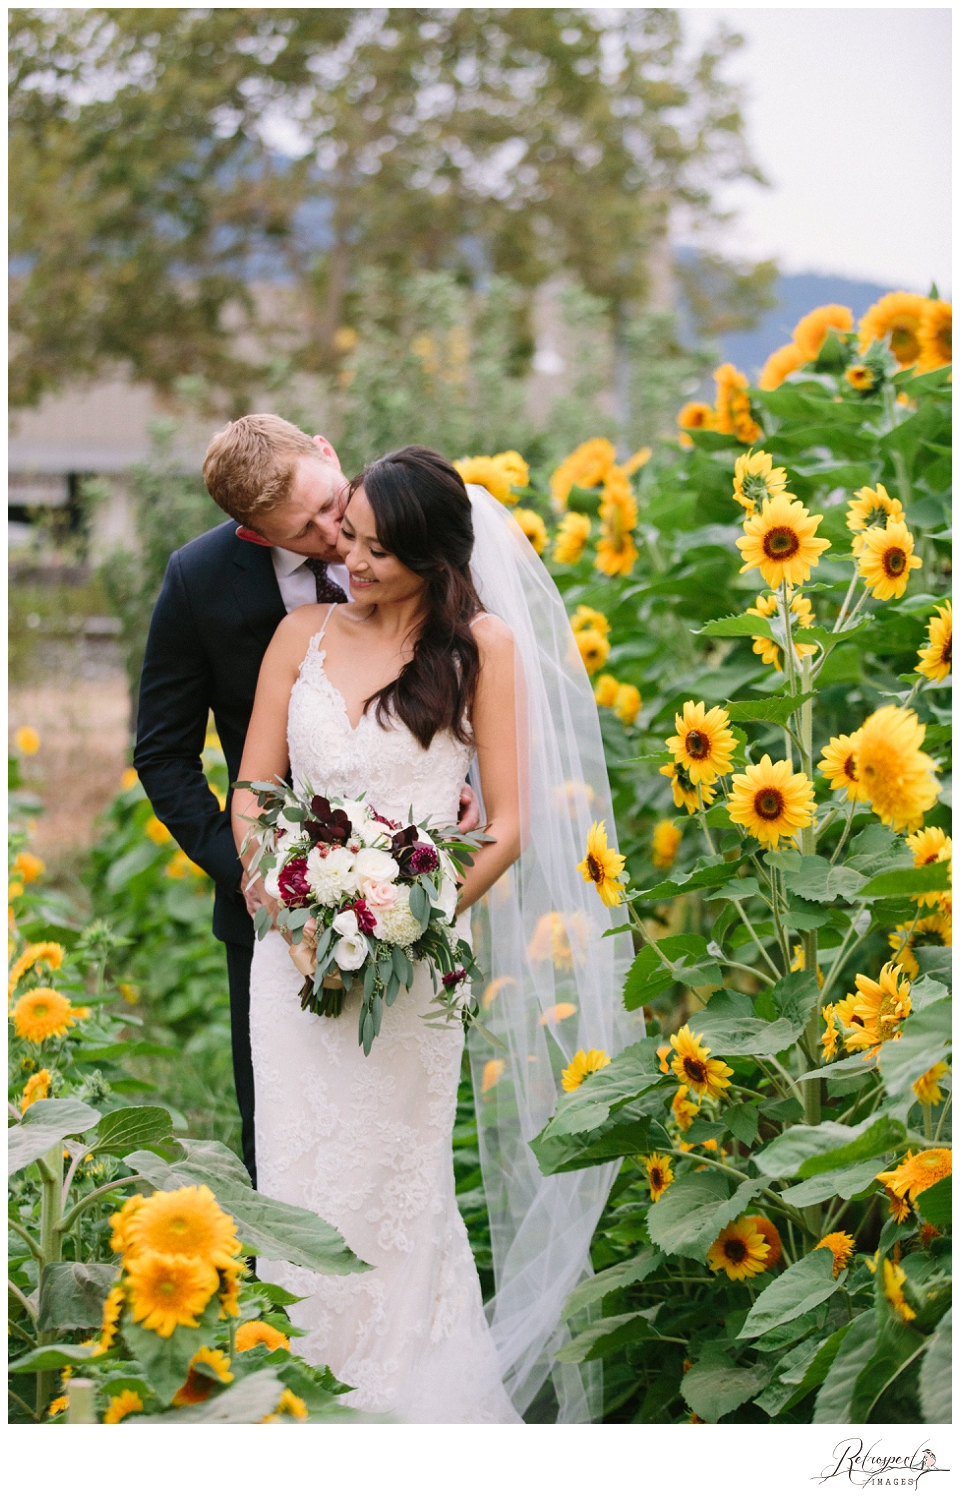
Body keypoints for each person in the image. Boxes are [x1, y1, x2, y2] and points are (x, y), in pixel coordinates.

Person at [231, 446, 637, 1423]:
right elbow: (251, 791)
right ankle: (303, 1408)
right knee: (299, 1186)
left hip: (410, 978)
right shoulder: (298, 635)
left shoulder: (480, 649)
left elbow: (506, 825)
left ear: (431, 556)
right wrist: (283, 906)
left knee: (395, 1193)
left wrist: (411, 921)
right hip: (291, 969)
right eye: (349, 536)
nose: (351, 560)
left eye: (376, 548)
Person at [133, 417, 478, 1187]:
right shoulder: (198, 581)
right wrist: (263, 880)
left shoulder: (406, 526)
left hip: (414, 893)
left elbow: (466, 680)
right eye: (306, 530)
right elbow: (162, 755)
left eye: (331, 504)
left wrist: (450, 791)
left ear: (326, 450)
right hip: (273, 913)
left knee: (401, 1154)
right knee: (286, 1146)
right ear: (255, 534)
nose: (334, 538)